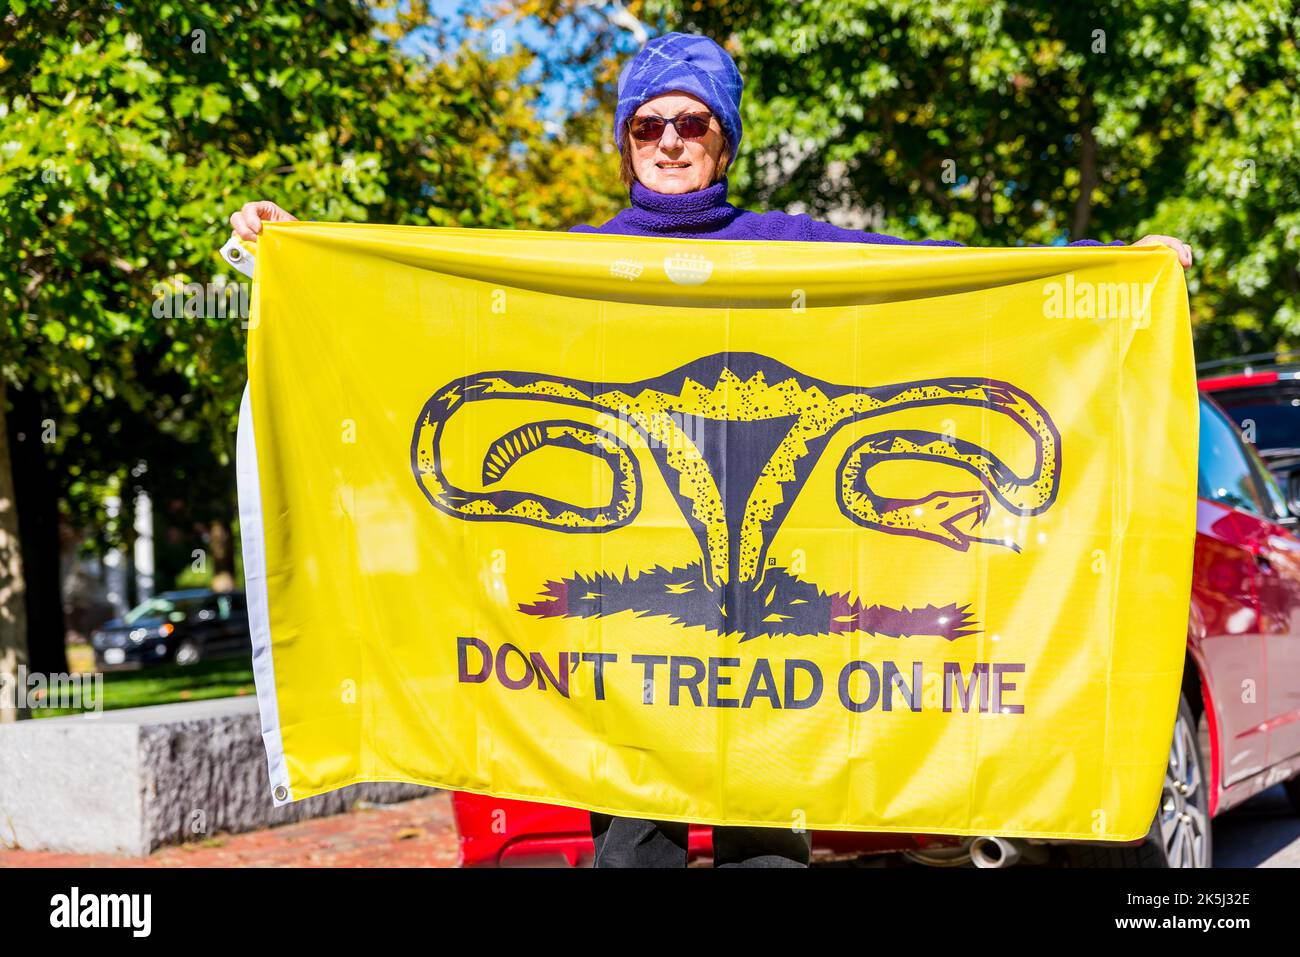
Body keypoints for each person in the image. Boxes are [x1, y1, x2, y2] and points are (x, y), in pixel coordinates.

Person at [226, 30, 1192, 869]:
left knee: (767, 851)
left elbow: (966, 294)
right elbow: (420, 327)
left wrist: (1122, 276)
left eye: (692, 123)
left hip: (777, 675)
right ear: (625, 146)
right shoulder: (565, 271)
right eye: (649, 127)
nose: (672, 142)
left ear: (724, 135)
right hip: (625, 666)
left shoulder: (793, 250)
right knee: (631, 852)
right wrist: (292, 258)